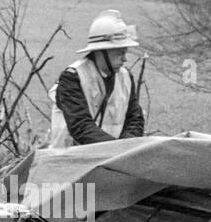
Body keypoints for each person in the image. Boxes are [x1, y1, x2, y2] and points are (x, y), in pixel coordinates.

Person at [48, 9, 146, 148]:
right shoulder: (72, 77)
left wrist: (125, 148)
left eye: (125, 52)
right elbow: (80, 126)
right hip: (70, 162)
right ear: (101, 50)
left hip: (108, 160)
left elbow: (135, 120)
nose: (124, 58)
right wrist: (116, 149)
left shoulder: (126, 77)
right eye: (119, 52)